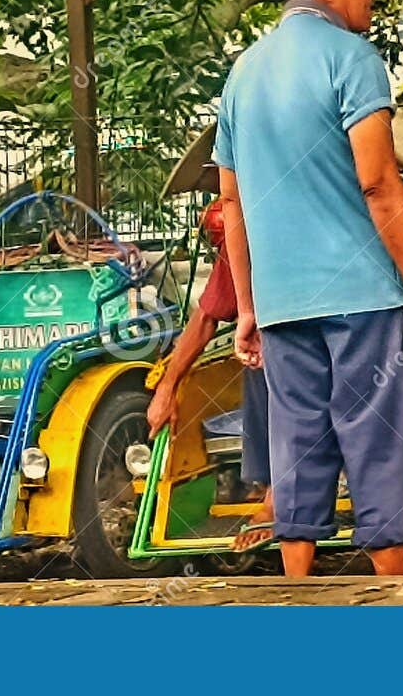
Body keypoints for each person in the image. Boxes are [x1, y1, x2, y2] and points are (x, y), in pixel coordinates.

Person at [214, 0, 403, 578]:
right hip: (364, 298)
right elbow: (379, 181)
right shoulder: (351, 59)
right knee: (379, 444)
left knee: (298, 450)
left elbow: (231, 204)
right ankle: (393, 607)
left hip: (285, 303)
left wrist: (249, 306)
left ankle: (300, 601)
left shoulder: (243, 73)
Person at [146, 199, 274, 551]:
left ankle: (277, 501)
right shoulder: (238, 248)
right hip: (271, 346)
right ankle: (265, 486)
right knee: (259, 368)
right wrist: (167, 388)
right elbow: (205, 318)